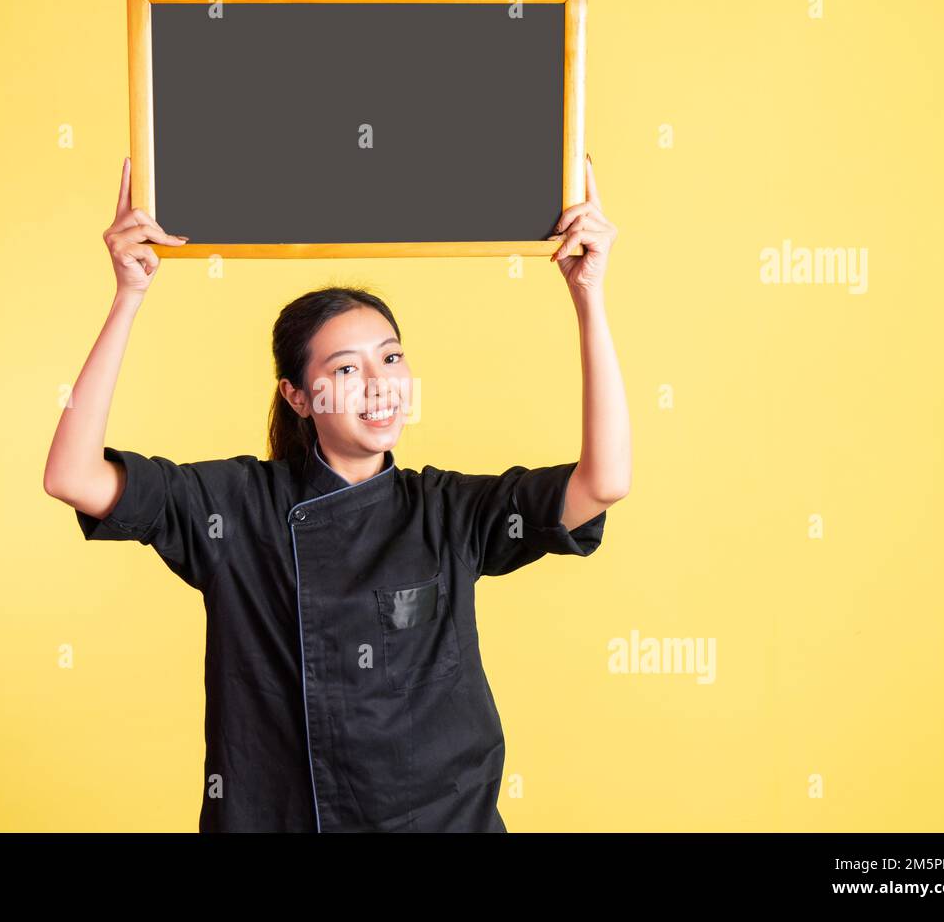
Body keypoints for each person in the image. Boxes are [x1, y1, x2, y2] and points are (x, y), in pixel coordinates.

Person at [43, 155, 631, 832]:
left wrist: (590, 298)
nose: (379, 383)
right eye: (345, 368)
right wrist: (128, 296)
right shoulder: (233, 508)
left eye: (392, 357)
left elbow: (604, 482)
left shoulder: (448, 512)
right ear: (297, 397)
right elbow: (72, 477)